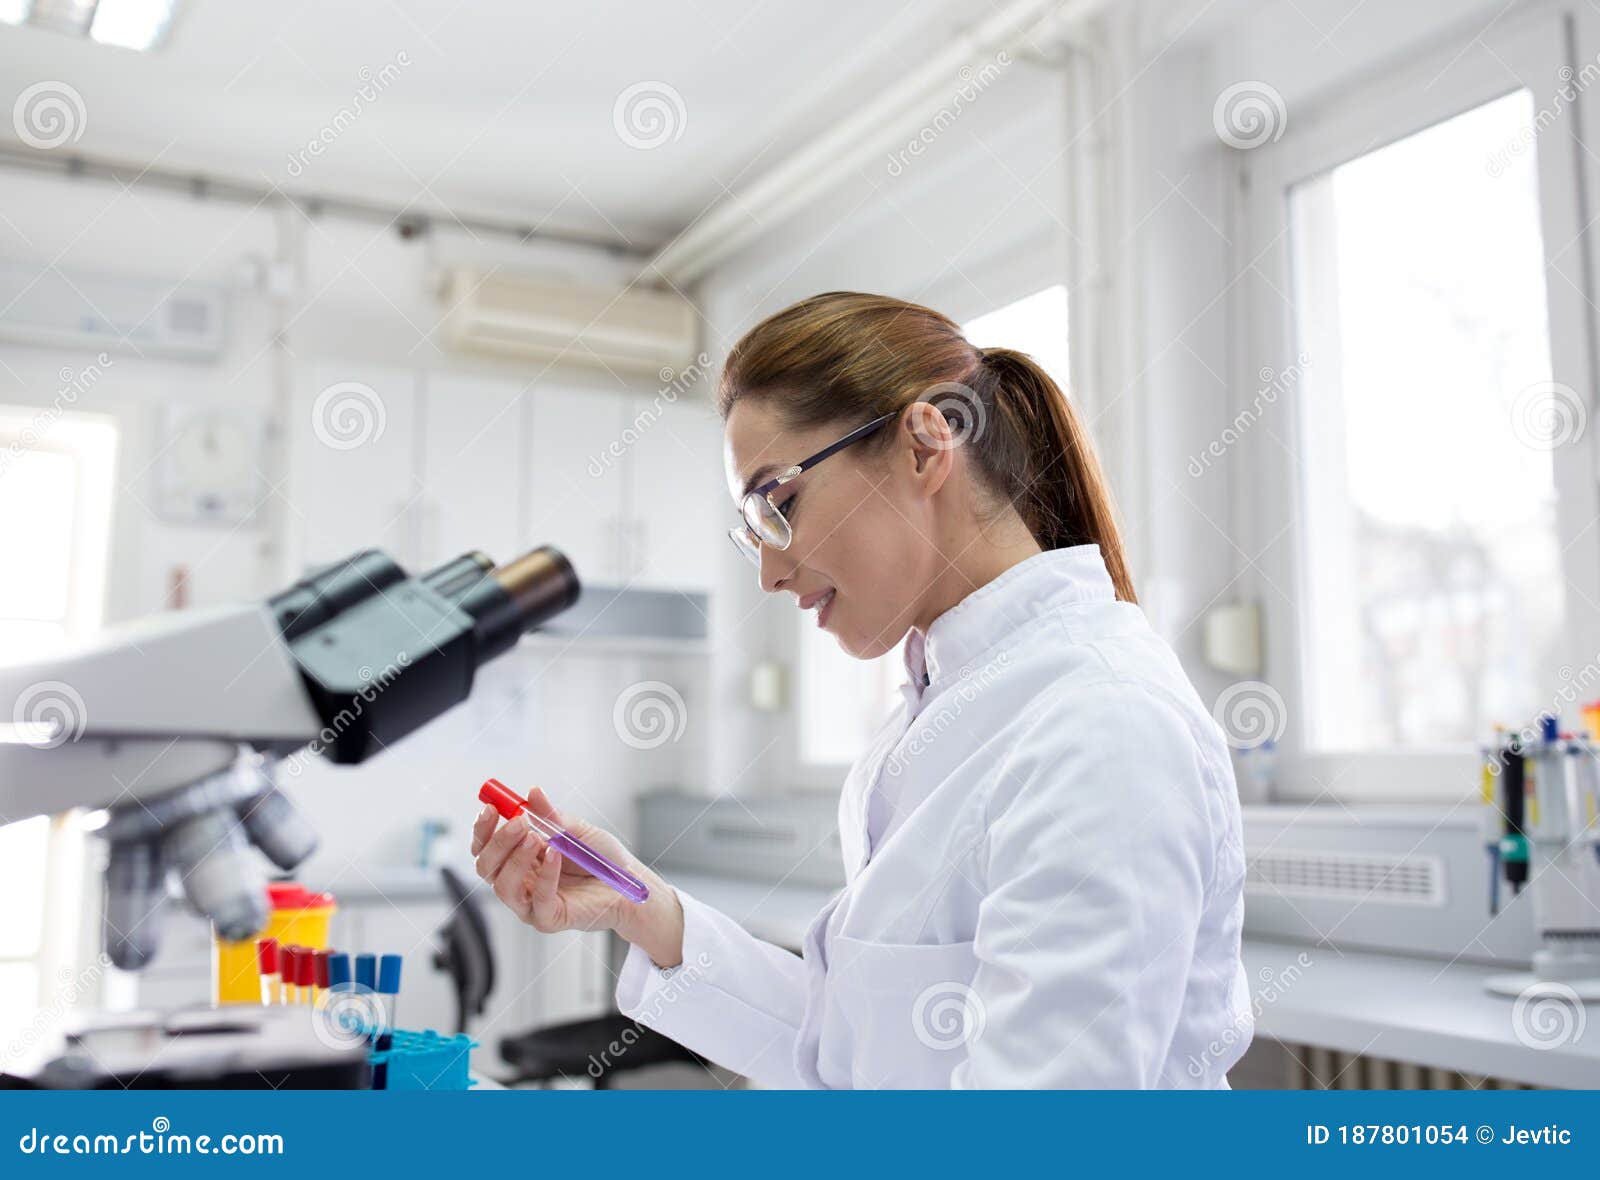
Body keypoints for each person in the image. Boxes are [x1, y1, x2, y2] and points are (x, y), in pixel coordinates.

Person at [472, 292, 1253, 1088]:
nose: (770, 573)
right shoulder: (946, 706)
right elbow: (856, 1049)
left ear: (924, 446)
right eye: (755, 533)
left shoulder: (1101, 726)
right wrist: (643, 909)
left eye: (780, 505)